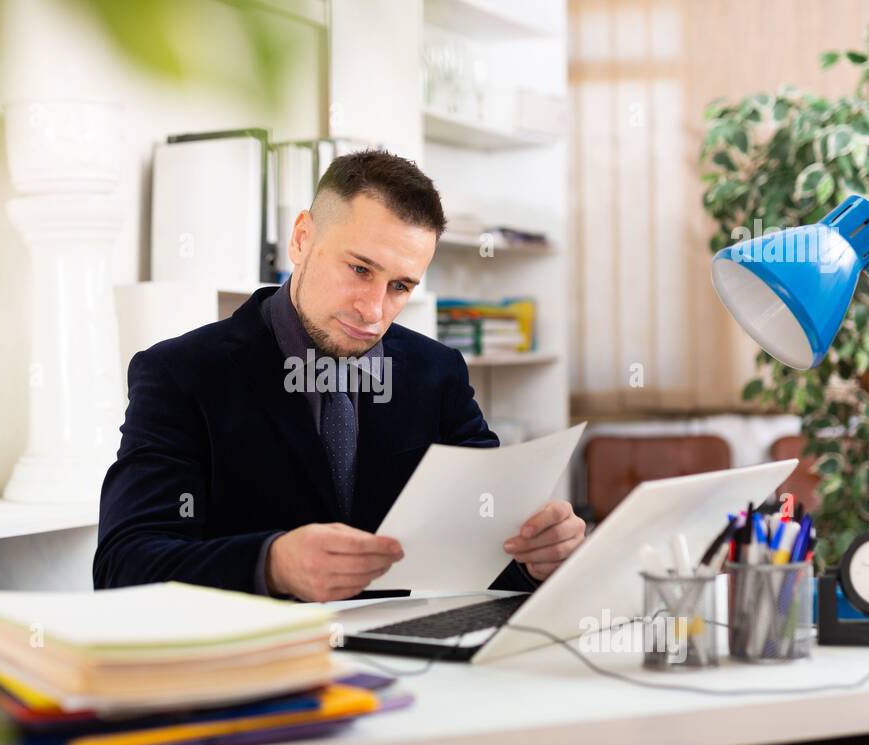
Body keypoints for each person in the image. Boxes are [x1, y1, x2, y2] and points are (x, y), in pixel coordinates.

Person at [95, 150, 585, 601]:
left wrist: (534, 560)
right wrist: (271, 565)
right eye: (359, 269)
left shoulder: (437, 374)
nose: (373, 310)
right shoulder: (181, 374)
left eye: (400, 286)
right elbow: (124, 565)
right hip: (265, 666)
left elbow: (484, 554)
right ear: (303, 238)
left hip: (414, 666)